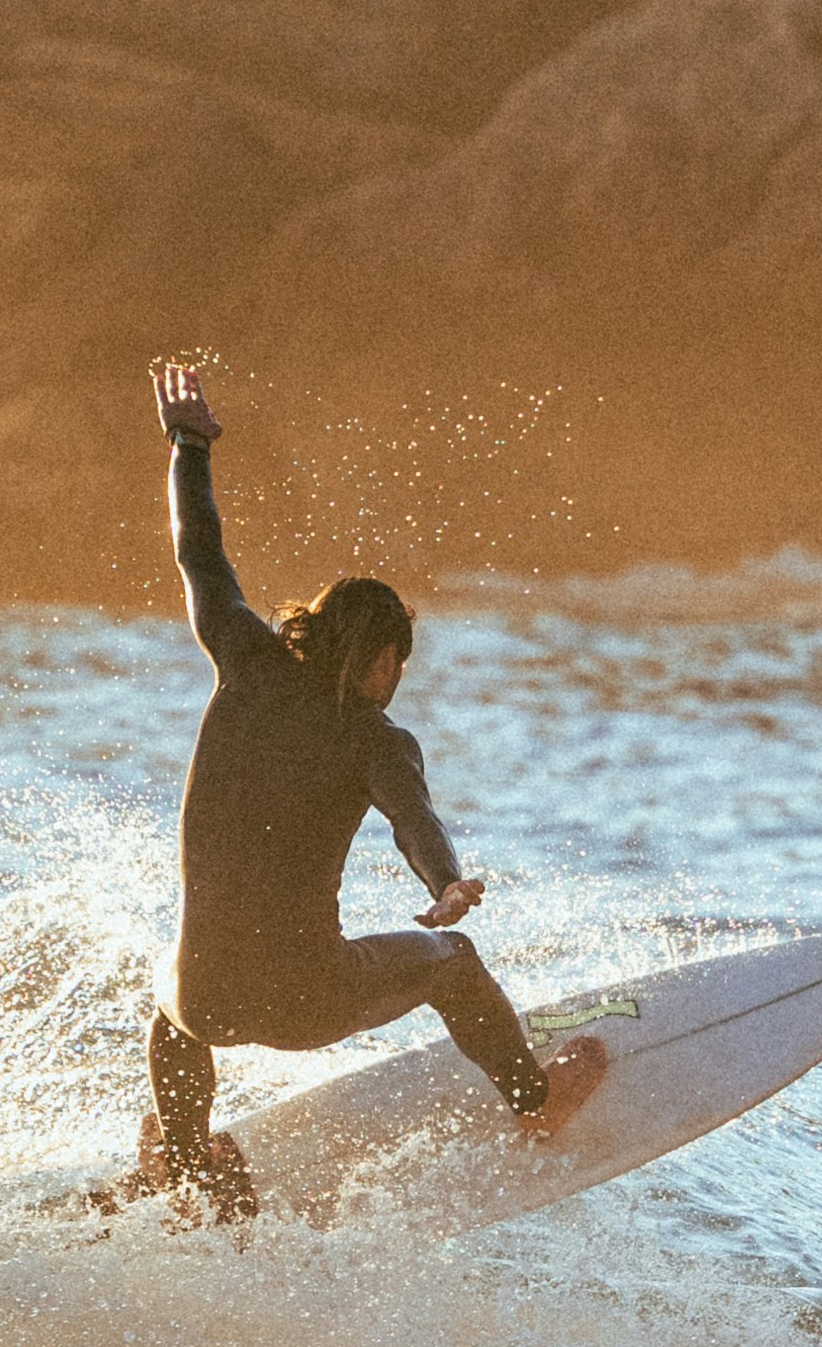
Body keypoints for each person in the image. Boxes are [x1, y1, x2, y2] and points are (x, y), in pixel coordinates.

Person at [136, 360, 606, 1212]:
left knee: (171, 1009)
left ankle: (186, 1160)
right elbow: (412, 817)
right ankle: (537, 1102)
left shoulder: (240, 659)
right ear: (382, 657)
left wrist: (188, 444)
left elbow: (197, 550)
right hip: (303, 996)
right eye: (398, 663)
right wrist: (447, 884)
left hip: (204, 996)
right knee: (455, 966)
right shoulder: (374, 738)